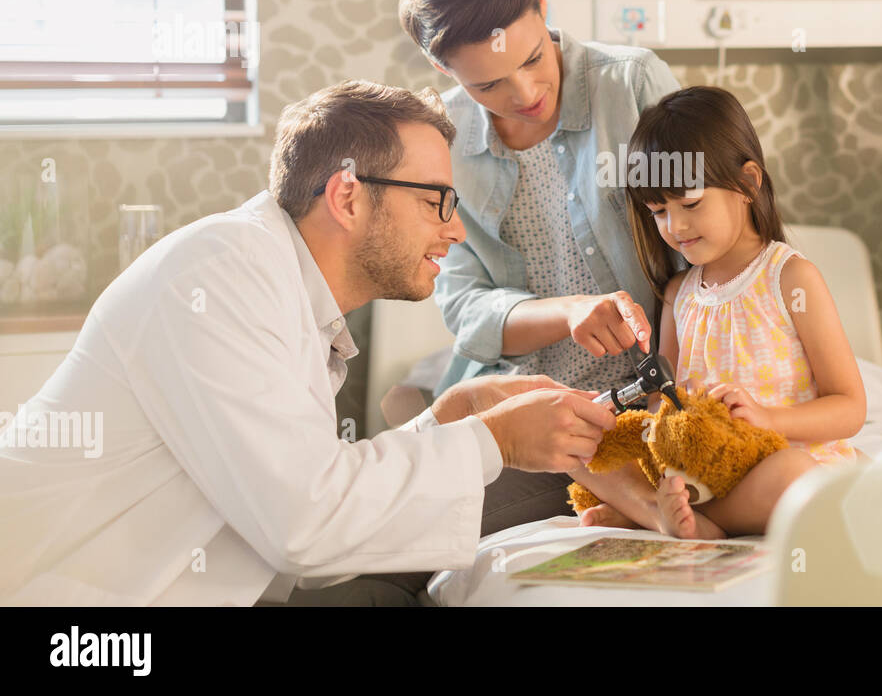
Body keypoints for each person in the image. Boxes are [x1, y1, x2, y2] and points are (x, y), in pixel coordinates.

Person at [0, 80, 614, 606]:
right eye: (435, 201)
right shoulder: (219, 276)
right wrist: (496, 440)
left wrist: (443, 421)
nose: (454, 229)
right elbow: (304, 529)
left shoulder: (278, 287)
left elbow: (306, 507)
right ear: (347, 195)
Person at [396, 0, 682, 532]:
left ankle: (637, 499)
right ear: (442, 68)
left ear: (543, 7)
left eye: (531, 59)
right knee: (411, 532)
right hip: (524, 412)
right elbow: (467, 308)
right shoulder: (445, 138)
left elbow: (710, 249)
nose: (524, 93)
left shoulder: (630, 86)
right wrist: (568, 310)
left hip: (661, 397)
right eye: (487, 84)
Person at [617, 85, 867, 537]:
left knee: (796, 475)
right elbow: (660, 401)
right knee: (601, 445)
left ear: (748, 183)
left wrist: (770, 419)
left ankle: (705, 524)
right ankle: (676, 510)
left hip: (781, 465)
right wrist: (670, 414)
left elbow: (849, 406)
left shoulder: (790, 279)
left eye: (690, 204)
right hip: (709, 474)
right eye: (658, 211)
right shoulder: (678, 295)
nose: (675, 227)